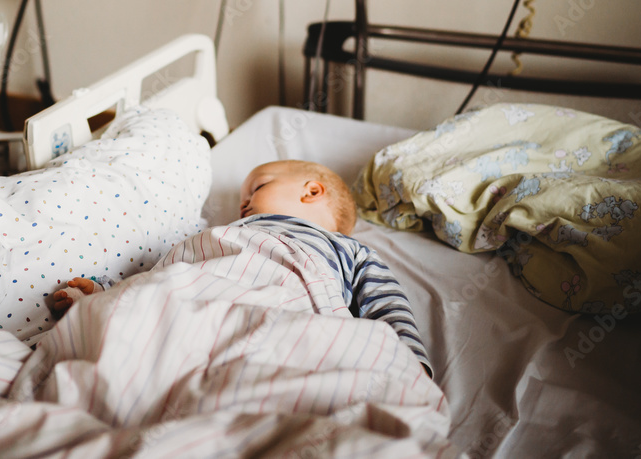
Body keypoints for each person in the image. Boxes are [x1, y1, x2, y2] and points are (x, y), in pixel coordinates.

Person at [54, 159, 432, 376]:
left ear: (311, 191)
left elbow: (386, 305)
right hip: (188, 296)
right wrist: (108, 291)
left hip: (282, 306)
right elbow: (163, 275)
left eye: (257, 187)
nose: (244, 203)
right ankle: (100, 318)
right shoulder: (219, 233)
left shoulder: (347, 249)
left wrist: (410, 364)